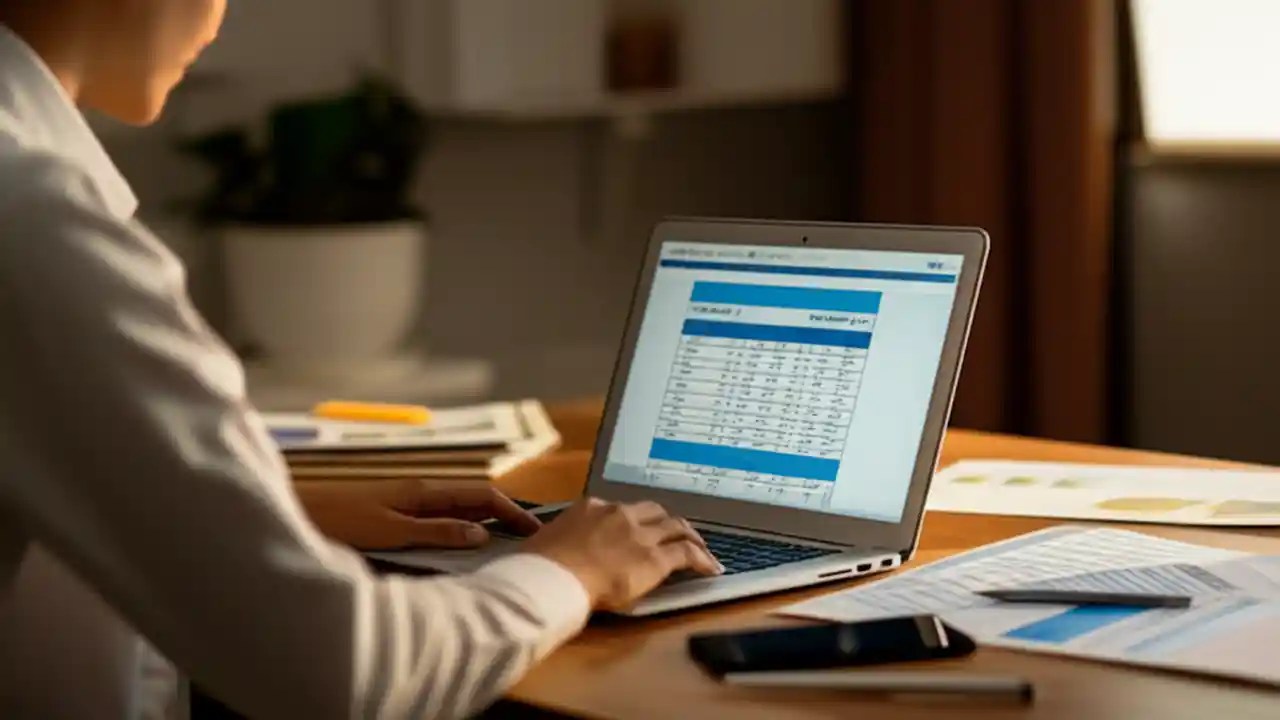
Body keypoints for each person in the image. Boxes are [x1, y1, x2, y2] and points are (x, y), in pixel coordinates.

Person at [0, 2, 722, 718]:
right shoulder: (32, 221)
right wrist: (575, 568)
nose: (223, 18)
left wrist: (272, 519)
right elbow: (342, 671)